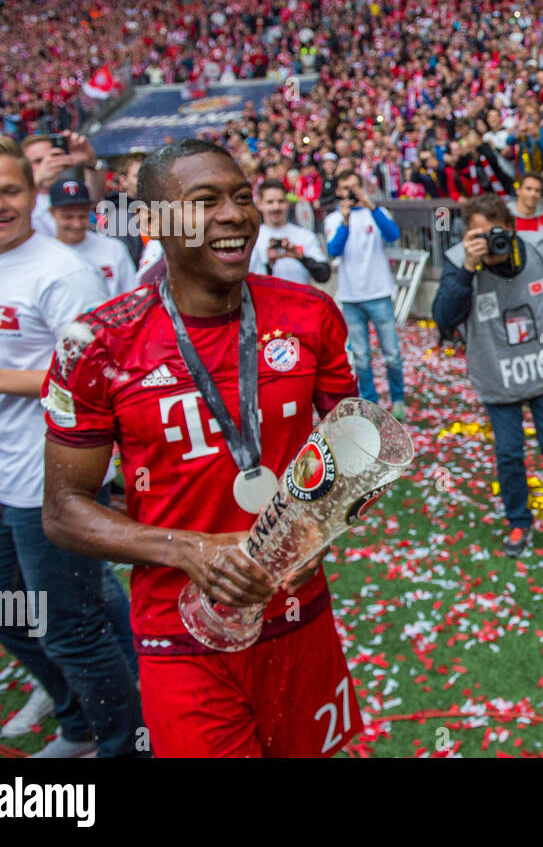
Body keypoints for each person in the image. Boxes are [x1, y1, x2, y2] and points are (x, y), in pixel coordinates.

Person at [40, 139, 364, 757]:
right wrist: (190, 550)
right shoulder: (98, 346)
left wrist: (329, 513)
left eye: (242, 197)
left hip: (299, 618)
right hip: (182, 634)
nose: (234, 214)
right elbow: (62, 510)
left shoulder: (311, 314)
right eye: (204, 201)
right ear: (152, 222)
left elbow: (352, 451)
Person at [0, 134, 145, 758]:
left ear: (33, 194)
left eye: (10, 190)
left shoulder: (64, 271)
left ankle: (128, 745)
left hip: (53, 481)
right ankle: (81, 725)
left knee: (71, 629)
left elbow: (103, 379)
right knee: (6, 613)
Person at [430, 193, 543, 562]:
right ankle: (518, 522)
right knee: (508, 454)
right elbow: (444, 318)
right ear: (466, 237)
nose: (492, 243)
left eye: (496, 233)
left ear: (510, 227)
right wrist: (467, 267)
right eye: (479, 236)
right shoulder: (460, 261)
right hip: (496, 373)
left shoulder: (539, 244)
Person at [324, 169, 407, 422]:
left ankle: (398, 399)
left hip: (379, 292)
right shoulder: (334, 219)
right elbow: (333, 250)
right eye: (344, 188)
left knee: (391, 352)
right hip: (351, 296)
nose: (349, 192)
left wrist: (371, 206)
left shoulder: (377, 213)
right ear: (338, 191)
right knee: (360, 356)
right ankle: (371, 403)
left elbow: (393, 235)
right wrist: (345, 221)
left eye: (353, 187)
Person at [48, 174, 138, 299]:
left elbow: (133, 296)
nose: (76, 224)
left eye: (82, 216)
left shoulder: (114, 249)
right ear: (52, 213)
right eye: (68, 217)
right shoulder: (44, 255)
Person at [248, 179, 331, 287]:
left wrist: (301, 258)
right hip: (268, 302)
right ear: (259, 204)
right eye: (270, 202)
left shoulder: (305, 235)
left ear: (287, 203)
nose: (276, 207)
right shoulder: (252, 238)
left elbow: (324, 276)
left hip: (301, 301)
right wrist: (269, 263)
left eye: (281, 201)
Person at [511, 172, 543, 237]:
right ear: (518, 190)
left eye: (537, 190)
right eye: (528, 189)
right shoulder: (506, 218)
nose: (532, 194)